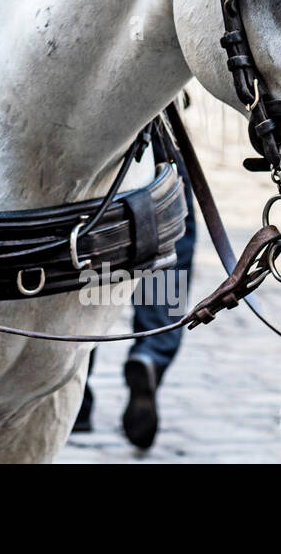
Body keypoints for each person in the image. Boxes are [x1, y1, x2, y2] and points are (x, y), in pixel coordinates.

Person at [73, 165, 197, 450]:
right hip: (155, 129)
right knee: (166, 229)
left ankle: (75, 385)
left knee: (93, 230)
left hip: (90, 137)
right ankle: (151, 353)